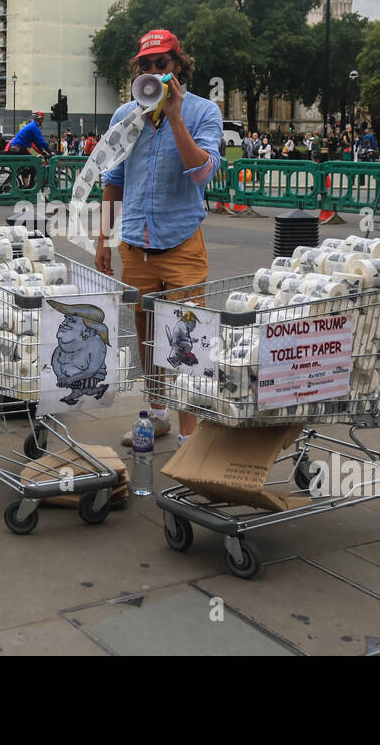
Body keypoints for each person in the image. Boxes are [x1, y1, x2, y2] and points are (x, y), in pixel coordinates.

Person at [95, 29, 221, 448]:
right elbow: (112, 181)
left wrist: (176, 115)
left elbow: (201, 172)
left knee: (187, 337)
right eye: (145, 66)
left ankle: (191, 436)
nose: (152, 72)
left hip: (181, 241)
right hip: (135, 243)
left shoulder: (204, 112)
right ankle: (157, 412)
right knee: (146, 331)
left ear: (178, 68)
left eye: (161, 65)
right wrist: (103, 240)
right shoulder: (123, 117)